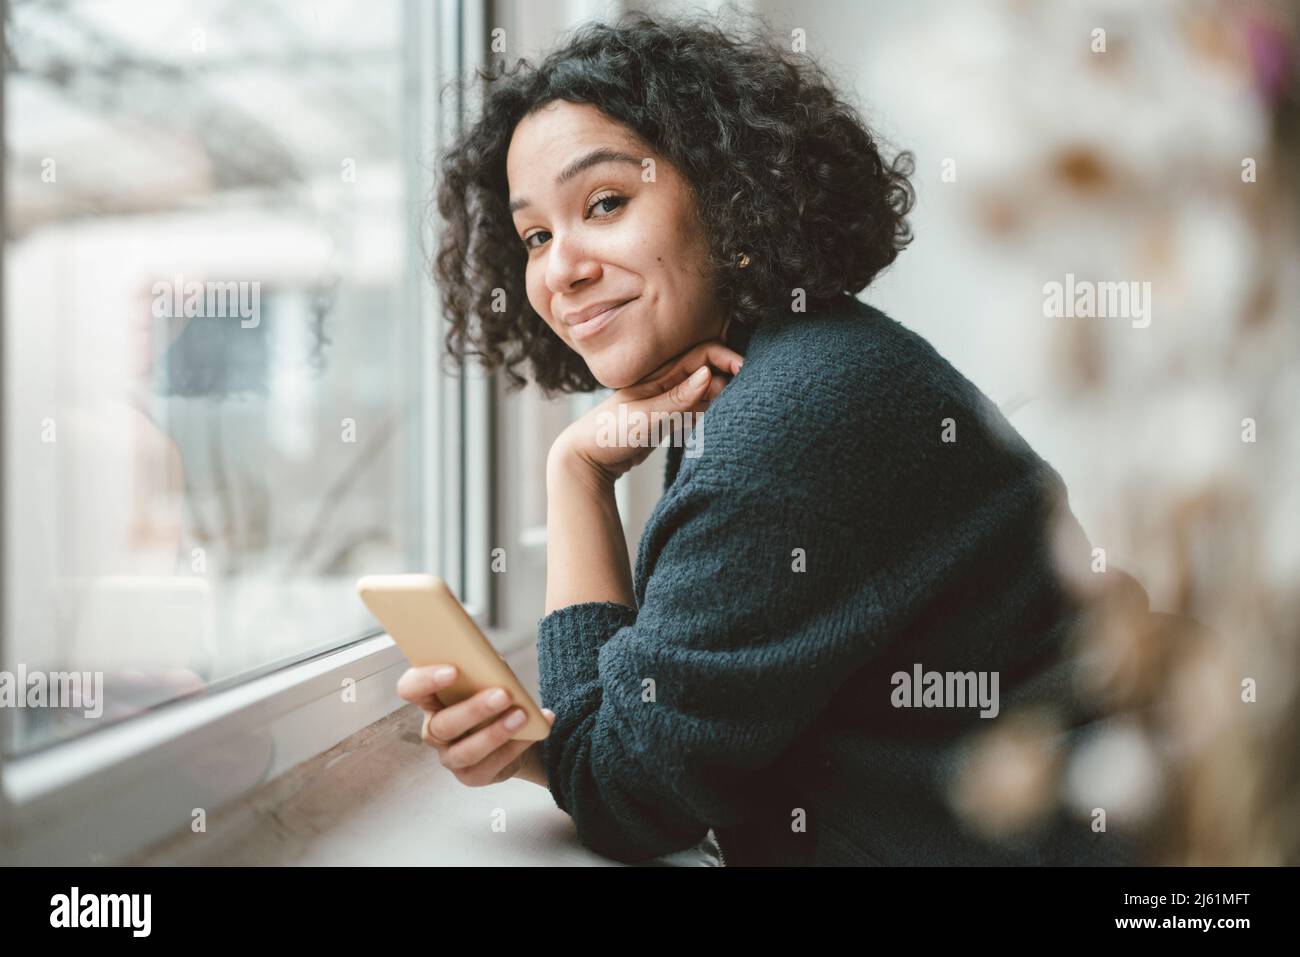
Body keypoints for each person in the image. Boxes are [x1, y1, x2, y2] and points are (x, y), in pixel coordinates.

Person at [397, 11, 1151, 866]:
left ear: (727, 197)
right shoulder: (792, 362)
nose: (561, 269)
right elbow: (668, 752)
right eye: (536, 235)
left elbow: (625, 799)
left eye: (605, 203)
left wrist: (575, 476)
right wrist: (542, 747)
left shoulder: (789, 420)